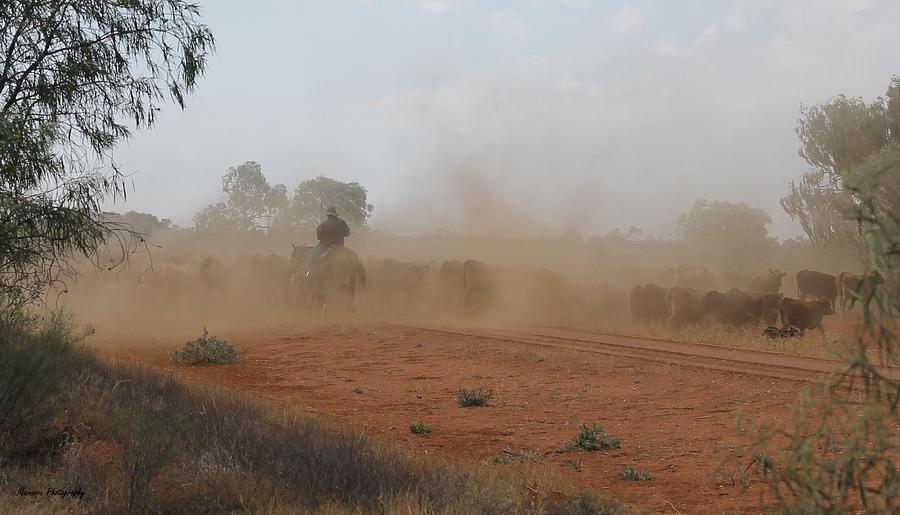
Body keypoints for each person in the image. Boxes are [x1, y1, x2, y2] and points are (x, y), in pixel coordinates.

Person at [307, 206, 350, 277]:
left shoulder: (322, 224)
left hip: (324, 246)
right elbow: (347, 234)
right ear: (335, 214)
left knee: (311, 254)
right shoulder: (342, 222)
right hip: (340, 246)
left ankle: (311, 274)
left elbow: (318, 237)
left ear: (327, 215)